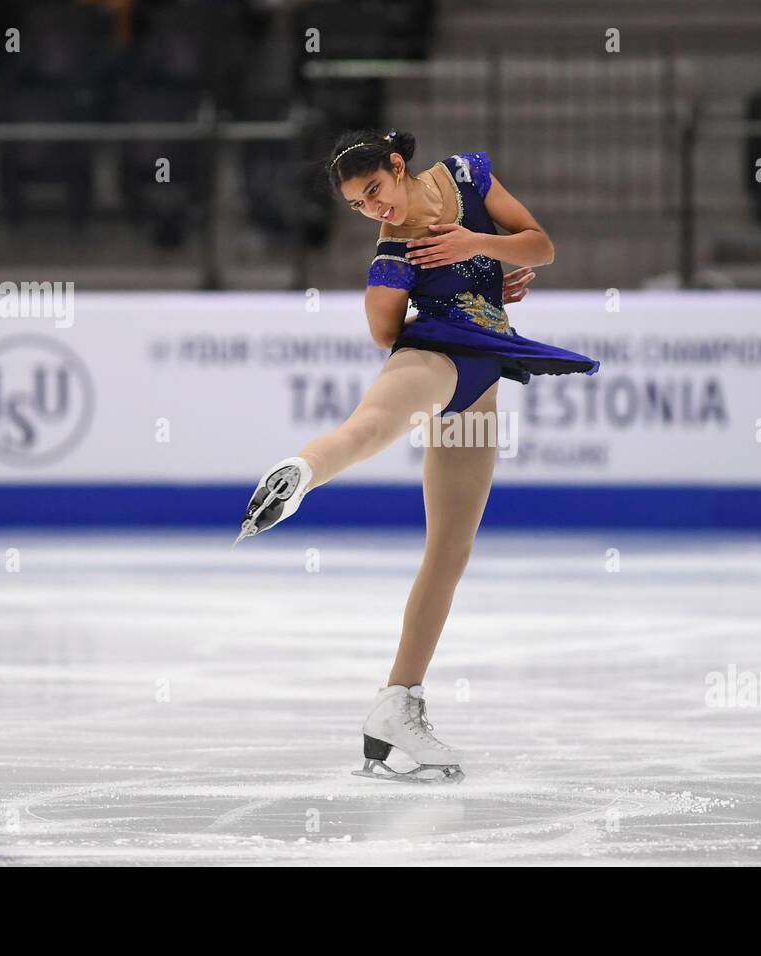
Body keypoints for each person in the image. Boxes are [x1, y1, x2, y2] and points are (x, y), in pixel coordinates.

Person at [238, 128, 600, 782]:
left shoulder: (468, 176)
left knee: (448, 553)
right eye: (359, 205)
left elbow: (540, 246)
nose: (373, 210)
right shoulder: (395, 245)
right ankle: (302, 473)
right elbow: (383, 330)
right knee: (370, 423)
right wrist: (437, 280)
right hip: (434, 358)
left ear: (398, 167)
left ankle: (397, 703)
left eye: (373, 191)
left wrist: (480, 255)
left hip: (482, 381)